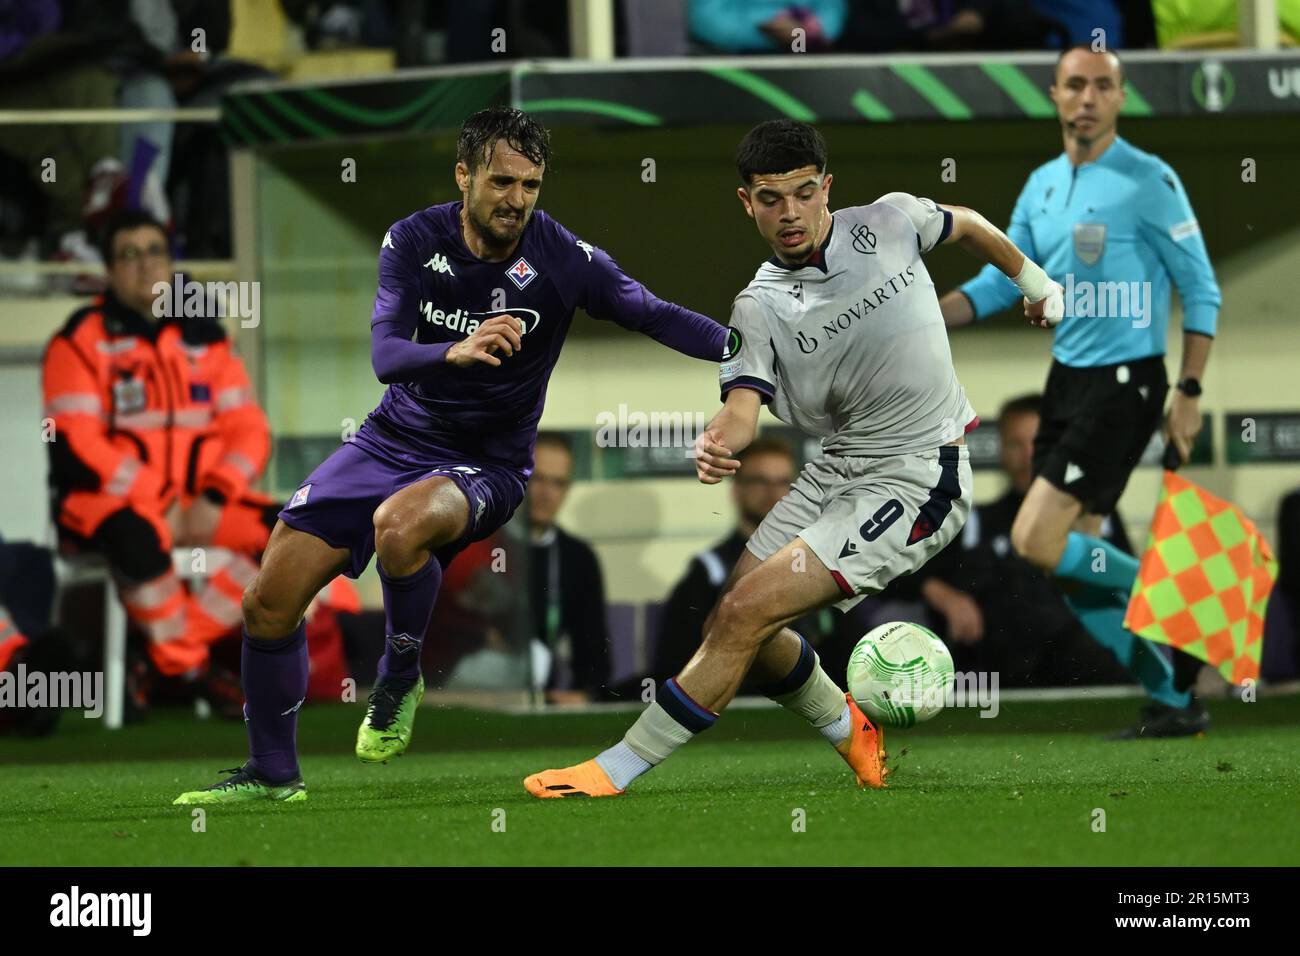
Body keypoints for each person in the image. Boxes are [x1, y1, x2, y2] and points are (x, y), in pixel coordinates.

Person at [173, 107, 727, 805]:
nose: (517, 200)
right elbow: (385, 355)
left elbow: (655, 313)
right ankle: (272, 774)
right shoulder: (413, 240)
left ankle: (399, 672)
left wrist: (746, 355)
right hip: (388, 440)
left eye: (531, 185)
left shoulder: (562, 259)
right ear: (463, 175)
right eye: (501, 182)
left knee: (400, 528)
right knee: (267, 604)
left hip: (487, 465)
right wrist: (453, 350)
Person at [524, 119, 1062, 798]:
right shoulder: (760, 306)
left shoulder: (891, 220)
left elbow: (973, 223)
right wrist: (721, 439)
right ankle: (851, 729)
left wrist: (1036, 284)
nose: (790, 215)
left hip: (921, 474)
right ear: (745, 202)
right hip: (837, 470)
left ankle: (617, 768)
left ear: (826, 188)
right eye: (771, 199)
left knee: (748, 613)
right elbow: (743, 408)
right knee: (736, 617)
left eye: (804, 194)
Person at [938, 45, 1221, 738]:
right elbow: (1008, 281)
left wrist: (1187, 392)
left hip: (1129, 381)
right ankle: (1174, 701)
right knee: (1075, 567)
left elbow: (1201, 288)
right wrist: (924, 315)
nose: (1088, 97)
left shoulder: (1149, 179)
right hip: (1067, 381)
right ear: (1056, 95)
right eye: (1075, 85)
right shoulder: (1040, 187)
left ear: (1120, 98)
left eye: (1103, 86)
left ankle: (1185, 607)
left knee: (1037, 540)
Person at [42, 209, 277, 681]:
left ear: (170, 261)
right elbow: (75, 443)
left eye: (154, 251)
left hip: (202, 503)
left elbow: (249, 430)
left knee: (294, 535)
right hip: (109, 504)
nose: (145, 265)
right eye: (128, 255)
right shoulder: (79, 339)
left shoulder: (205, 337)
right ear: (108, 271)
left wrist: (215, 493)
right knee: (137, 542)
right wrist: (158, 497)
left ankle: (173, 657)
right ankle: (191, 672)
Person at [918, 394, 1134, 686]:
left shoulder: (1095, 517)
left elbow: (1130, 584)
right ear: (1002, 451)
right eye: (1015, 444)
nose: (1028, 456)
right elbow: (909, 576)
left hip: (1088, 666)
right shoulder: (976, 521)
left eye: (1037, 442)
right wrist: (946, 597)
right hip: (1001, 669)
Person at [653, 436, 836, 686]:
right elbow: (677, 662)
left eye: (784, 483)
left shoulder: (819, 560)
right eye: (760, 481)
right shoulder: (709, 571)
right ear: (737, 490)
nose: (773, 492)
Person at [526, 431, 611, 704]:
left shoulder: (578, 557)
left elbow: (593, 646)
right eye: (537, 478)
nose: (546, 493)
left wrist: (583, 694)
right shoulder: (477, 545)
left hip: (541, 699)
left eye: (558, 483)